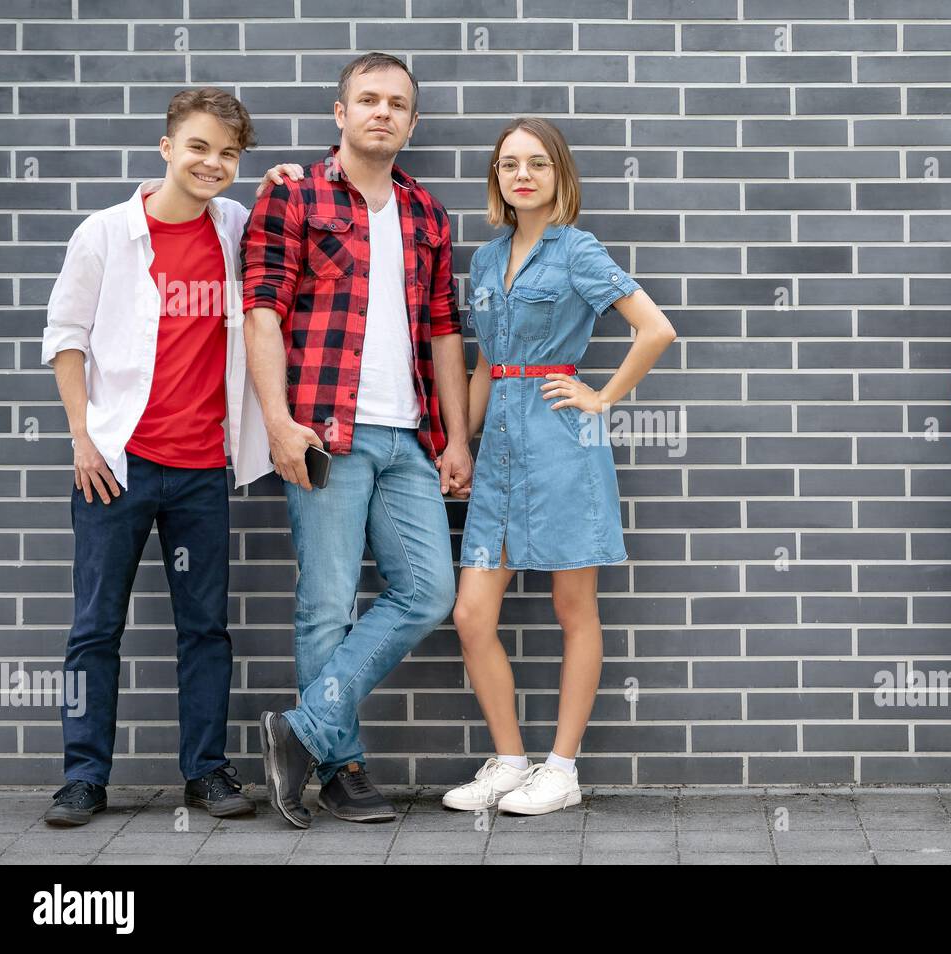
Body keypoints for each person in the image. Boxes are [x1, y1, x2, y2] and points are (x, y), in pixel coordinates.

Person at [39, 87, 290, 826]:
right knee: (94, 627)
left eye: (229, 154)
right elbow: (66, 336)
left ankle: (207, 774)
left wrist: (279, 186)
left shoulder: (237, 226)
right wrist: (83, 437)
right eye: (199, 147)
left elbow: (283, 230)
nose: (213, 163)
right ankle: (82, 777)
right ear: (167, 147)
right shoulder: (107, 234)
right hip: (115, 464)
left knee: (205, 628)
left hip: (200, 470)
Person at [241, 52, 471, 828]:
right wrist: (277, 421)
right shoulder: (293, 196)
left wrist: (456, 438)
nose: (383, 112)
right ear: (339, 113)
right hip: (324, 433)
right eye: (367, 99)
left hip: (408, 436)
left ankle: (301, 730)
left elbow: (444, 332)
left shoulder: (427, 214)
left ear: (411, 122)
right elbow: (262, 310)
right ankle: (341, 770)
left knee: (430, 593)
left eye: (397, 103)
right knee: (326, 606)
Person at [442, 117, 676, 817]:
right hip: (500, 458)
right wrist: (461, 442)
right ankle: (511, 761)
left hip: (562, 449)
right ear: (498, 179)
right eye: (510, 163)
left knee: (573, 608)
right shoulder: (485, 262)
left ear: (558, 176)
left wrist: (601, 397)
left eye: (537, 164)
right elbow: (485, 364)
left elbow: (655, 327)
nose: (523, 174)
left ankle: (563, 768)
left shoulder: (577, 250)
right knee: (470, 614)